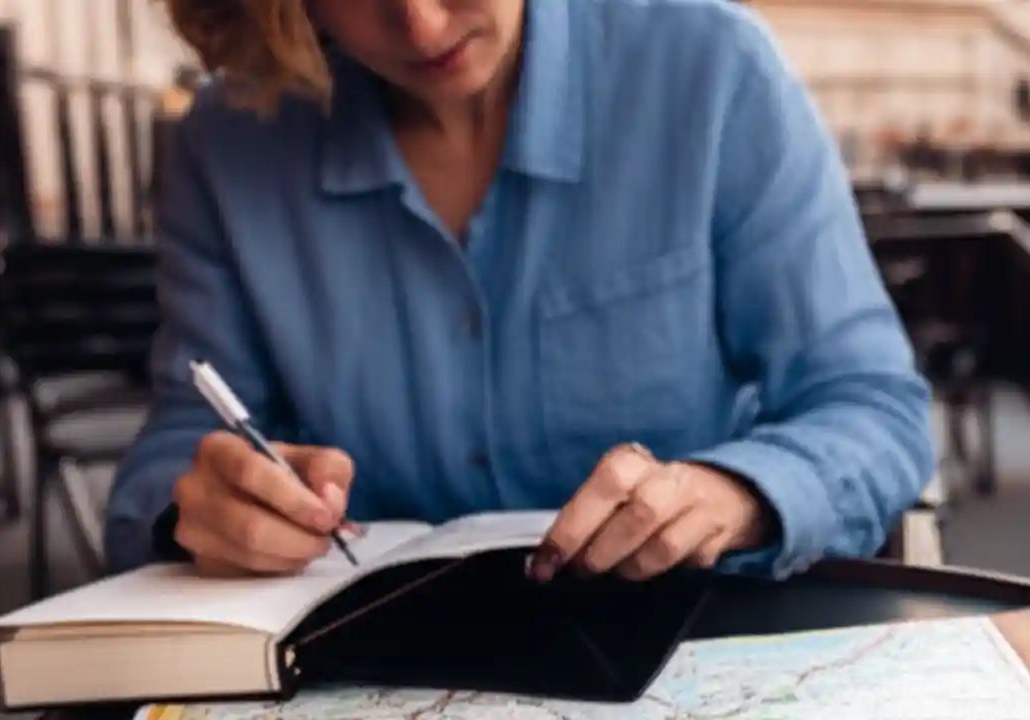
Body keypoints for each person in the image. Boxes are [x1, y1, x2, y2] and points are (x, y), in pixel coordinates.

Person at [106, 0, 935, 583]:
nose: (420, 21)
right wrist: (201, 513)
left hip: (685, 648)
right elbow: (175, 450)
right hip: (371, 666)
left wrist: (738, 495)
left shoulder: (711, 69)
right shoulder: (226, 142)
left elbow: (872, 408)